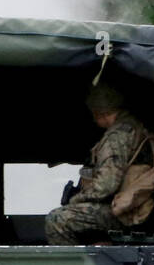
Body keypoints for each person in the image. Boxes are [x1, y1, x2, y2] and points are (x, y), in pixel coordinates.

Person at [45, 83, 146, 245]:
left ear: (101, 113)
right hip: (133, 206)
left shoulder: (116, 137)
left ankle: (76, 262)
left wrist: (77, 198)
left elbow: (106, 185)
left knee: (57, 219)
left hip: (125, 211)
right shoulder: (135, 128)